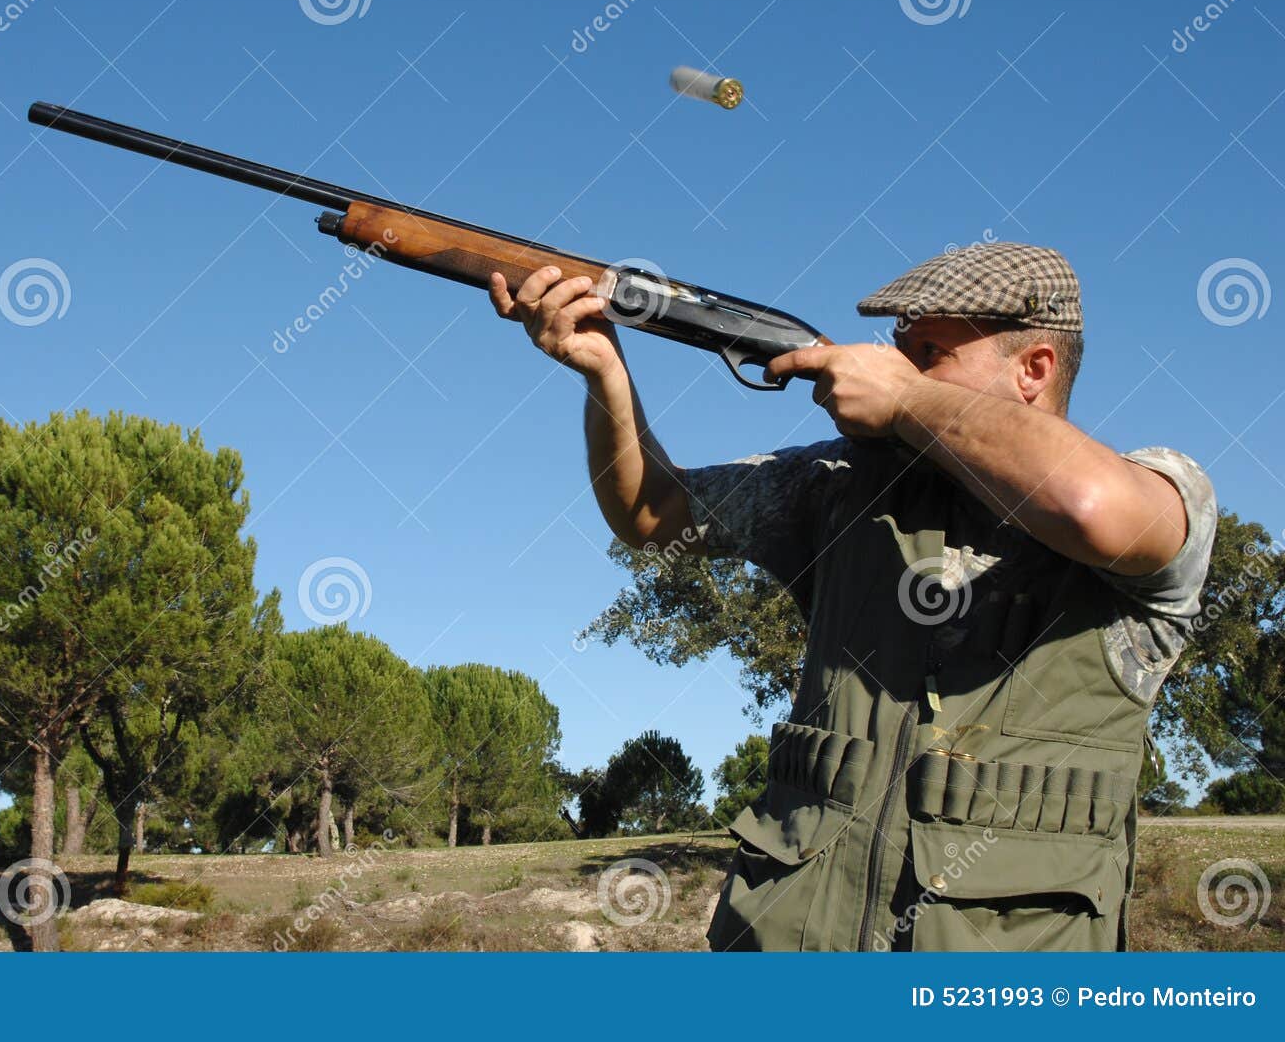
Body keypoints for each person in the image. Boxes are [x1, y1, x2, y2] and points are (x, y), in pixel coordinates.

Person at [489, 241, 1216, 951]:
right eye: (898, 350)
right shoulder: (841, 481)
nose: (897, 366)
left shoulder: (1156, 489)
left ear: (1034, 367)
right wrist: (604, 373)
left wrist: (904, 398)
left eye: (928, 353)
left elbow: (1091, 505)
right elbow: (653, 515)